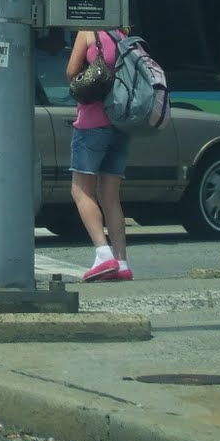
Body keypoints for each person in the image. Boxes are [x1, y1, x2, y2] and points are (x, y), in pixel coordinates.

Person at [65, 30, 131, 282]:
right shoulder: (122, 37)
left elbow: (72, 74)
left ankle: (103, 254)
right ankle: (122, 262)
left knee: (81, 190)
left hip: (92, 122)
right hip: (121, 124)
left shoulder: (87, 33)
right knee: (110, 195)